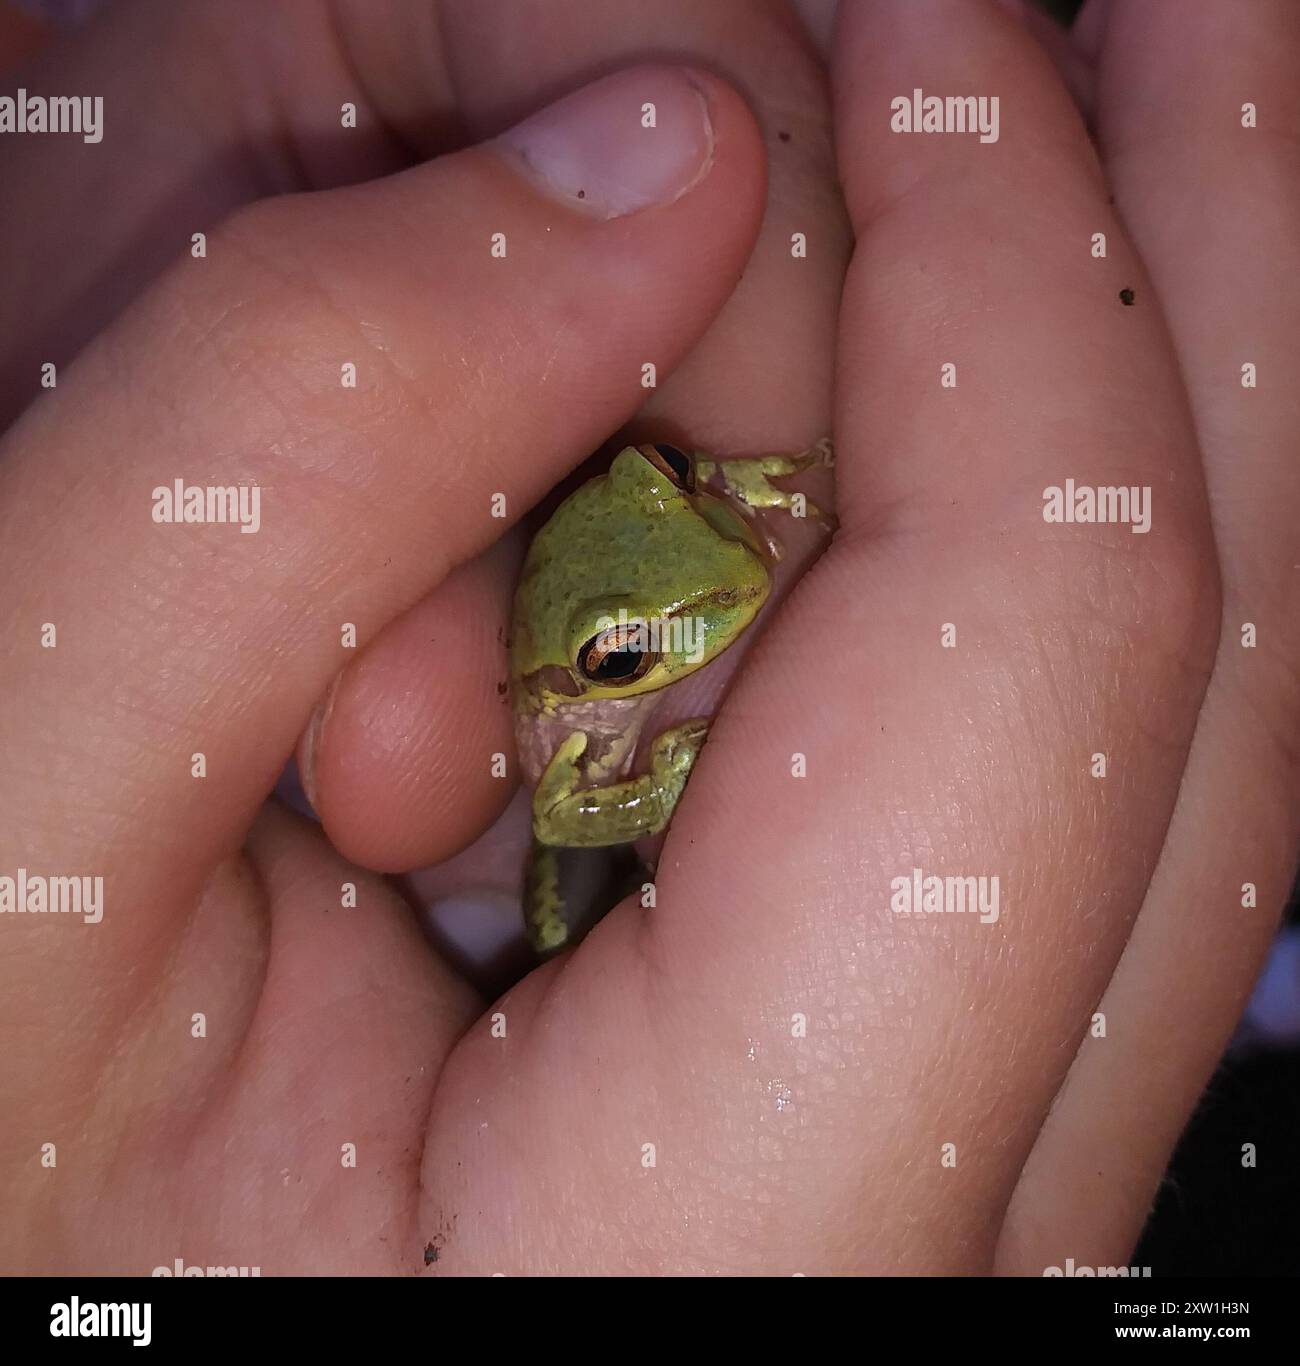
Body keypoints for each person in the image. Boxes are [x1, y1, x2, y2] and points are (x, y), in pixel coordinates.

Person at [0, 0, 1295, 1275]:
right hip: (534, 818)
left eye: (675, 476)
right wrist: (666, 767)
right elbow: (568, 813)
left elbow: (688, 506)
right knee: (528, 872)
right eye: (632, 653)